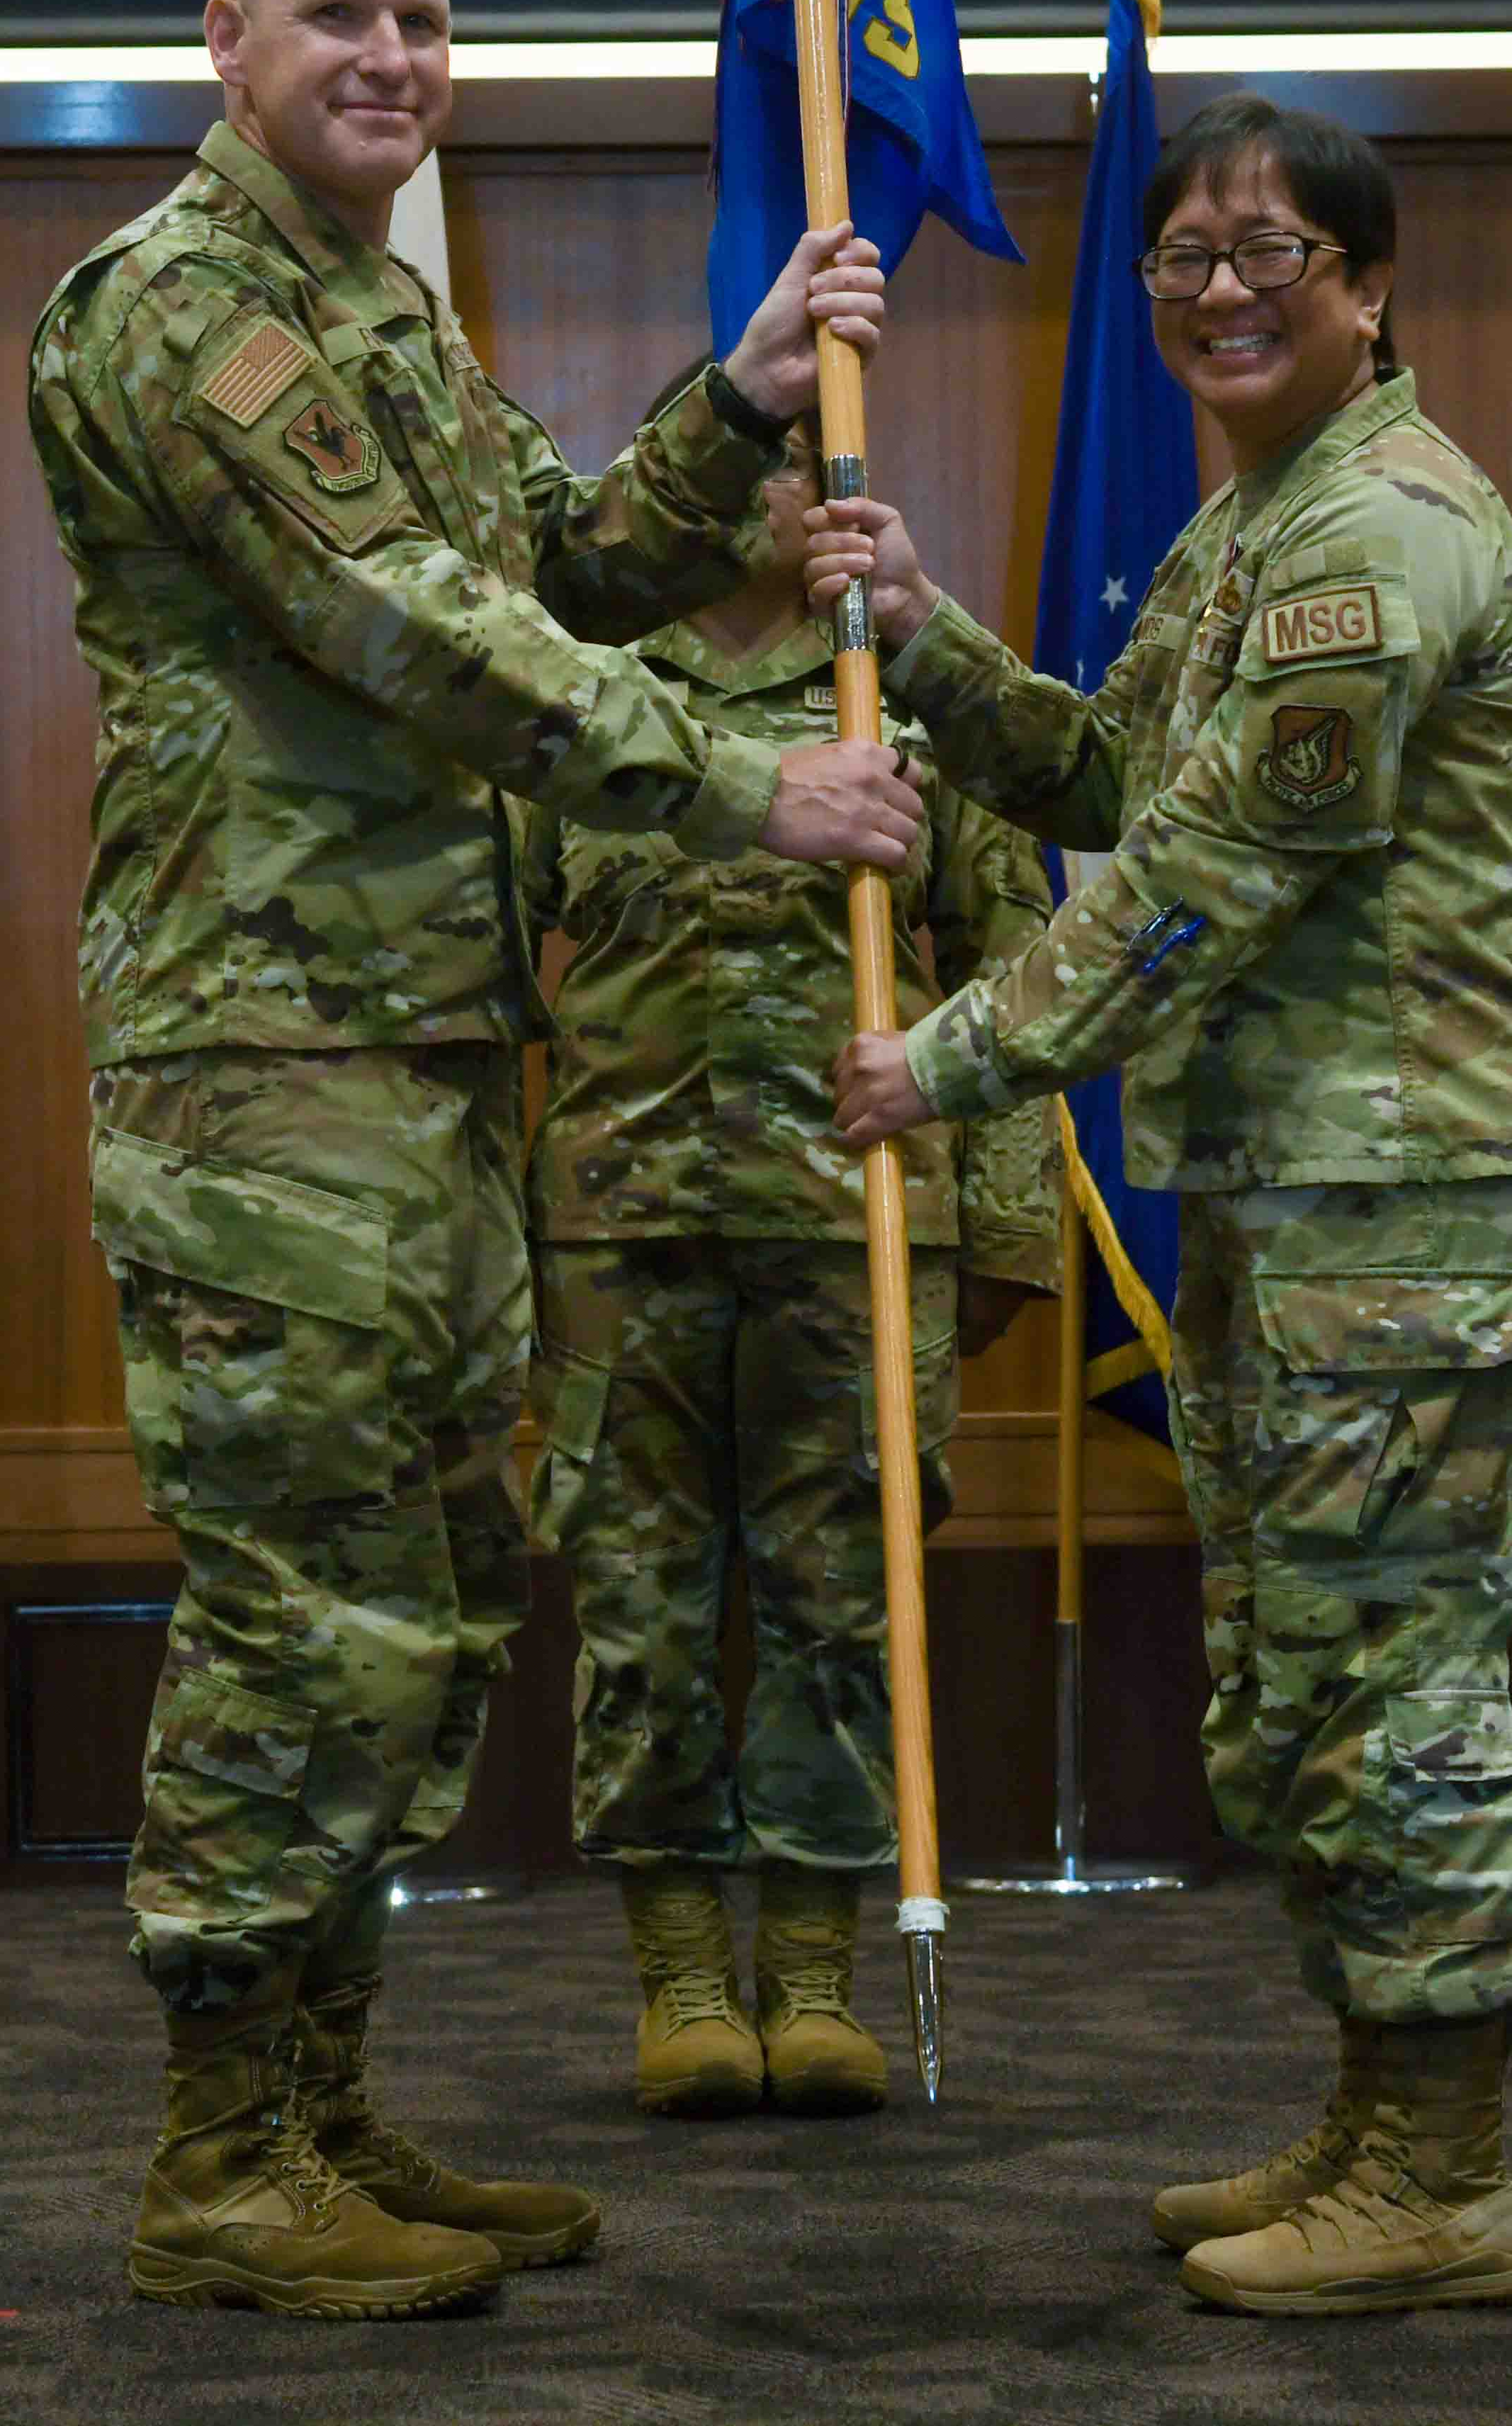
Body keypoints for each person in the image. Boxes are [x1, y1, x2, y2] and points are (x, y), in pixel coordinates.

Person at [24, 0, 923, 2320]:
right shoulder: (178, 306)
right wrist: (751, 796)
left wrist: (732, 399)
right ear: (224, 37)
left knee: (416, 1617)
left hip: (421, 1069)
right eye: (340, 15)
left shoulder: (383, 315)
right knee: (295, 1620)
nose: (392, 59)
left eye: (426, 22)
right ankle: (219, 2154)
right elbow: (409, 634)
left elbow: (557, 558)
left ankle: (316, 2112)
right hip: (262, 1069)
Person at [811, 95, 1512, 2318]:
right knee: (1301, 1680)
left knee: (1399, 1689)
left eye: (1273, 256)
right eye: (1181, 261)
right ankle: (1379, 2113)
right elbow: (1101, 774)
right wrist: (925, 627)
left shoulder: (1381, 538)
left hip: (1400, 1196)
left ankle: (1448, 2171)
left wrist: (944, 1062)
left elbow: (1216, 871)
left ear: (1370, 290)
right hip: (1291, 1190)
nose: (1224, 293)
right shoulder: (1251, 528)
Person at [521, 382, 1061, 2122]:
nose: (795, 477)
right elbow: (480, 947)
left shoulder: (905, 696)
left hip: (858, 1219)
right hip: (623, 1228)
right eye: (763, 449)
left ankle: (815, 1973)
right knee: (639, 1611)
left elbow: (1014, 954)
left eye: (820, 447)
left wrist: (1001, 1228)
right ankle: (680, 1973)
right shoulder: (583, 694)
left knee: (844, 1610)